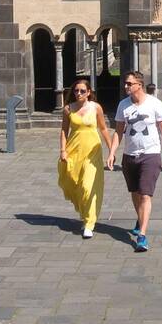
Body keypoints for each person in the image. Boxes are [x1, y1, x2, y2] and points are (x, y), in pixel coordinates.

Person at [107, 70, 162, 252]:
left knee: (145, 194)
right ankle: (140, 217)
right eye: (125, 83)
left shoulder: (155, 104)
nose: (126, 86)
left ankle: (142, 236)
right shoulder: (123, 105)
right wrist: (112, 153)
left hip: (150, 154)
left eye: (129, 83)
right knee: (135, 193)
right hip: (130, 155)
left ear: (139, 85)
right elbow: (119, 131)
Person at [57, 77, 113, 238]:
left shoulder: (96, 108)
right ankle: (84, 214)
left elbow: (103, 129)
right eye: (76, 90)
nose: (79, 93)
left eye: (82, 91)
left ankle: (89, 223)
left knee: (88, 187)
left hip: (92, 152)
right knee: (77, 185)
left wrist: (111, 150)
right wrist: (63, 150)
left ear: (89, 93)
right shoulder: (68, 109)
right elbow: (63, 131)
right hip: (74, 151)